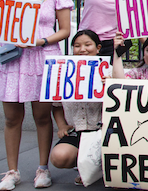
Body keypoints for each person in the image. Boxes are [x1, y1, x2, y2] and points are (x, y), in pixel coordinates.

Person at [0, 0, 72, 191]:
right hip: (15, 59)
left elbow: (65, 30)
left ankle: (42, 168)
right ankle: (12, 170)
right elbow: (0, 23)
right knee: (12, 117)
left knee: (42, 117)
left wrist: (42, 40)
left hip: (44, 58)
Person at [48, 30, 105, 183]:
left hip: (101, 132)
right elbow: (56, 105)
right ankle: (85, 166)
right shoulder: (64, 72)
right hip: (76, 131)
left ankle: (97, 169)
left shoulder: (107, 71)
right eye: (77, 46)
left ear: (98, 47)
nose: (82, 49)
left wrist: (110, 84)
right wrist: (61, 126)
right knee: (59, 157)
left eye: (88, 45)